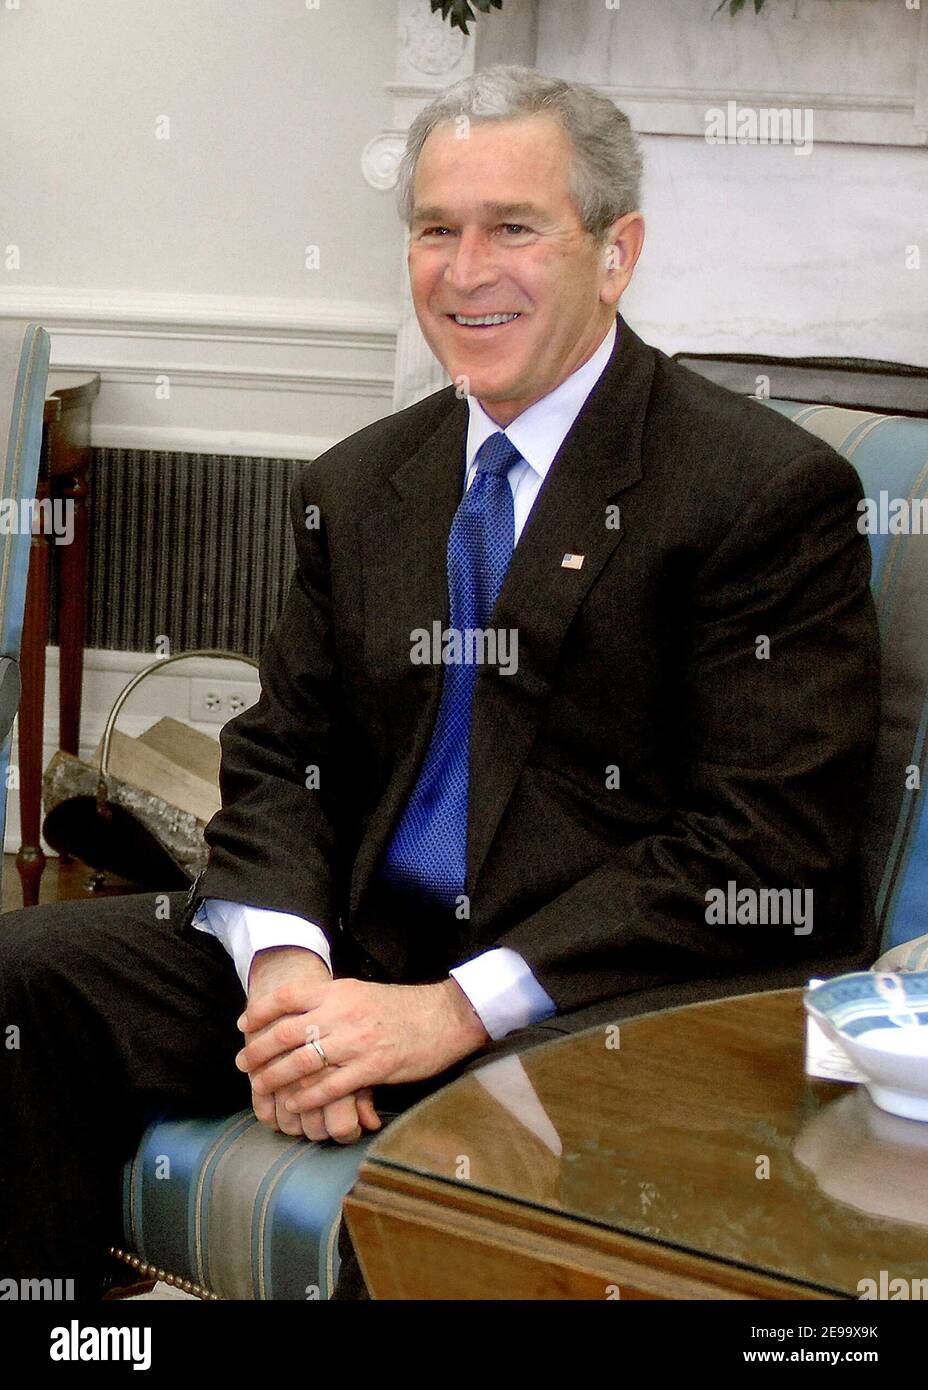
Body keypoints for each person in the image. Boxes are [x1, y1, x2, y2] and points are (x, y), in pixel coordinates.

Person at [0, 65, 879, 1302]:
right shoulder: (361, 484)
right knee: (22, 982)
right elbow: (280, 750)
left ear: (616, 252)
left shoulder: (758, 493)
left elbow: (765, 842)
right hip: (369, 944)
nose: (468, 272)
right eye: (435, 230)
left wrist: (455, 1011)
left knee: (448, 1180)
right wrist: (289, 971)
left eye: (514, 227)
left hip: (612, 987)